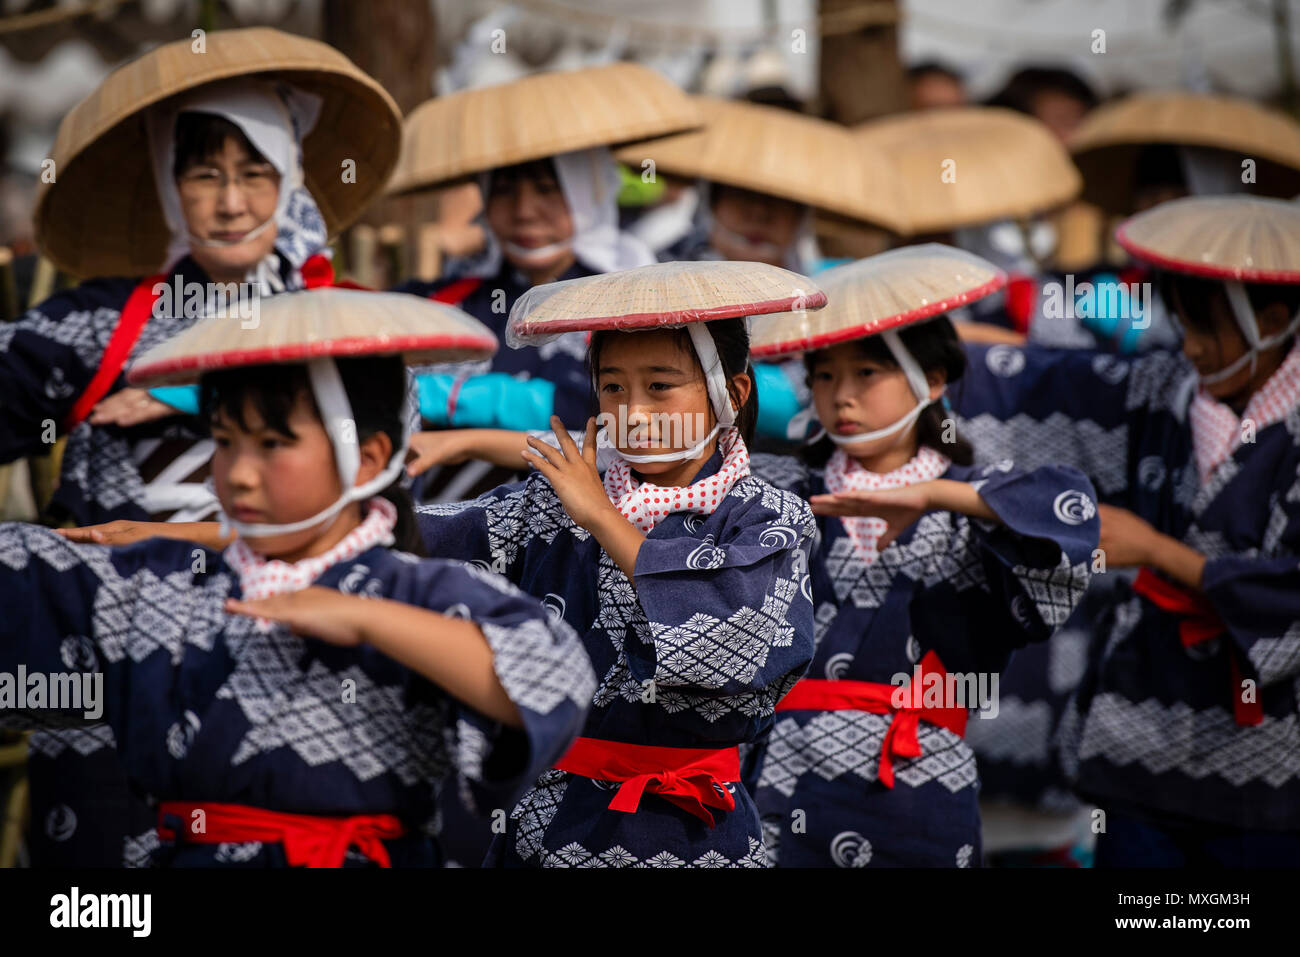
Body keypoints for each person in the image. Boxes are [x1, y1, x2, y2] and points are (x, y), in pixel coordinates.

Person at [1, 288, 595, 867]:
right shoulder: (154, 584)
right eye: (227, 443)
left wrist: (362, 616)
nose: (239, 474)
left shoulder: (423, 591)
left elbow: (550, 683)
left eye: (273, 444)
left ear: (365, 458)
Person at [1, 27, 401, 868]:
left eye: (254, 172)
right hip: (105, 683)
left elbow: (394, 512)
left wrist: (190, 386)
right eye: (203, 173)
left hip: (296, 664)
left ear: (288, 177)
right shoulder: (97, 323)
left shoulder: (349, 323)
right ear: (168, 181)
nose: (229, 202)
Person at [412, 260, 822, 866]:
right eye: (612, 387)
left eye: (660, 386)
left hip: (693, 833)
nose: (632, 412)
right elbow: (425, 543)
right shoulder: (552, 502)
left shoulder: (769, 517)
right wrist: (247, 533)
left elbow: (736, 649)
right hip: (549, 826)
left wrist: (602, 517)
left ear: (730, 393)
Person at [953, 196, 1300, 866]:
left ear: (1277, 320)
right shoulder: (1164, 388)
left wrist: (1157, 550)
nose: (1192, 345)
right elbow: (1043, 385)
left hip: (1273, 767)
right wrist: (925, 361)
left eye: (1210, 330)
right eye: (1185, 325)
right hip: (1139, 740)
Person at [739, 245, 1099, 867]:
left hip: (918, 778)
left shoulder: (975, 499)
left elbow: (1071, 515)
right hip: (781, 778)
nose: (840, 397)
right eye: (823, 375)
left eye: (866, 374)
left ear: (932, 381)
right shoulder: (788, 489)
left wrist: (936, 494)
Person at [384, 64, 697, 509]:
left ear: (588, 193)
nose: (525, 210)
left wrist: (447, 397)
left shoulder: (637, 303)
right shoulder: (440, 300)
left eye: (549, 190)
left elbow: (593, 410)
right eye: (505, 191)